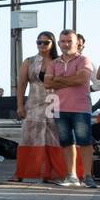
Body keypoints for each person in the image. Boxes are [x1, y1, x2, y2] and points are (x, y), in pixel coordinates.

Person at [44, 28, 94, 188]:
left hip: (81, 108)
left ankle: (87, 176)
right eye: (63, 41)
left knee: (85, 142)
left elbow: (82, 79)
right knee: (66, 142)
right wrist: (70, 79)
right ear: (58, 43)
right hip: (59, 108)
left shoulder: (84, 60)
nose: (66, 44)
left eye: (69, 41)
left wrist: (59, 79)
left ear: (76, 42)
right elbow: (47, 83)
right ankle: (71, 176)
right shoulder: (53, 63)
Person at [12, 33, 60, 182]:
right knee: (29, 137)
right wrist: (20, 106)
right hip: (33, 102)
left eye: (45, 42)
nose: (42, 45)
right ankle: (20, 173)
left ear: (52, 43)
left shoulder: (59, 62)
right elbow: (21, 85)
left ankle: (51, 173)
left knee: (53, 138)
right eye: (39, 42)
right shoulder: (29, 61)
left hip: (54, 103)